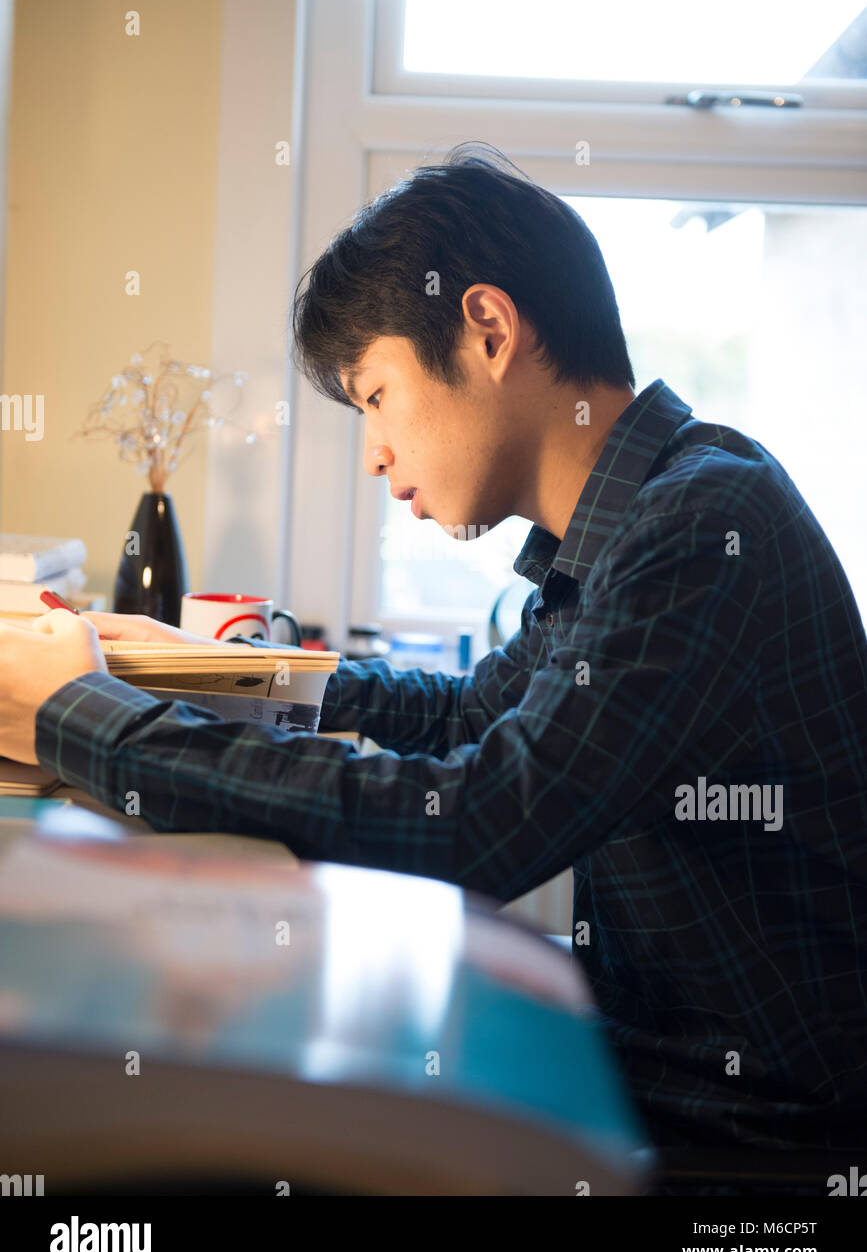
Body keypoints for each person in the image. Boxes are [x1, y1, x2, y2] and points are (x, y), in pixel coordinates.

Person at [2, 142, 866, 1162]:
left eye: (374, 395)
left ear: (488, 329)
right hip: (658, 1081)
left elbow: (479, 821)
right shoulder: (638, 518)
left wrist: (80, 714)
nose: (374, 452)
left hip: (746, 1152)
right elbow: (467, 715)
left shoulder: (702, 525)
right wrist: (200, 667)